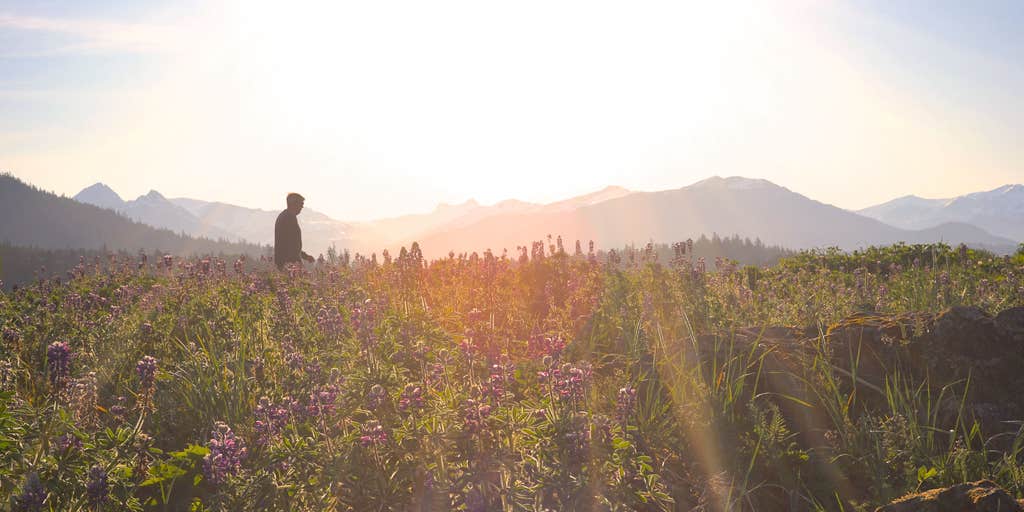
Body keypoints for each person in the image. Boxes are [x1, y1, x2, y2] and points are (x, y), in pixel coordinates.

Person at [274, 193, 315, 269]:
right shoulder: (288, 218)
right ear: (293, 204)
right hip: (289, 264)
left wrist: (305, 256)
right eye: (301, 204)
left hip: (287, 263)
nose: (302, 207)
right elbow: (290, 244)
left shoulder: (286, 216)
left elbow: (292, 243)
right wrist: (296, 262)